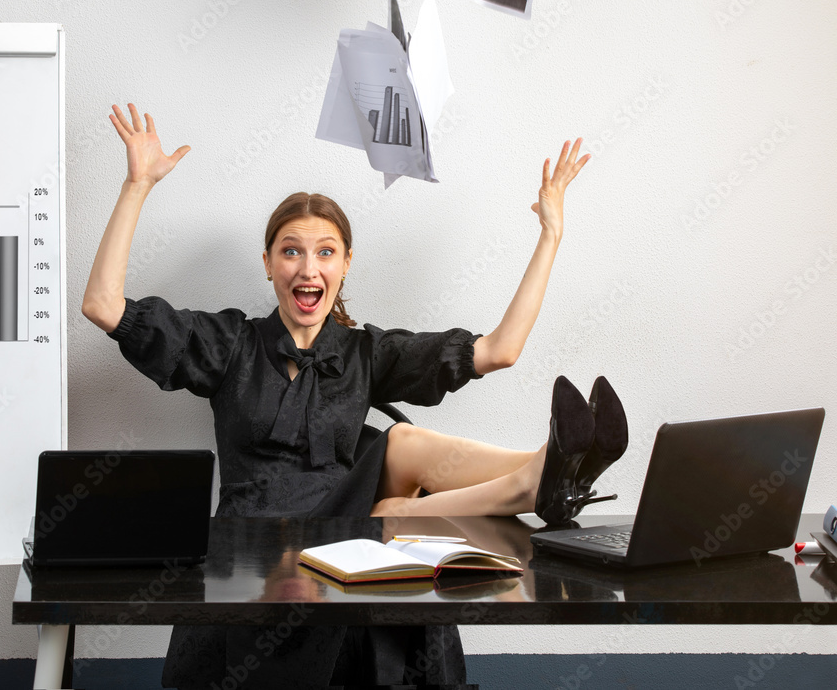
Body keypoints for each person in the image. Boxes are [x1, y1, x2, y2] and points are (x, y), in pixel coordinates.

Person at [82, 103, 624, 689]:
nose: (307, 266)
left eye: (324, 251)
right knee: (392, 502)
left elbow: (500, 348)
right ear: (268, 265)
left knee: (401, 447)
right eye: (291, 251)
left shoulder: (365, 352)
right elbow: (104, 306)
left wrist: (551, 233)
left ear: (344, 265)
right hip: (254, 551)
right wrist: (137, 184)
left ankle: (544, 469)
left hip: (346, 552)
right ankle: (539, 476)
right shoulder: (231, 342)